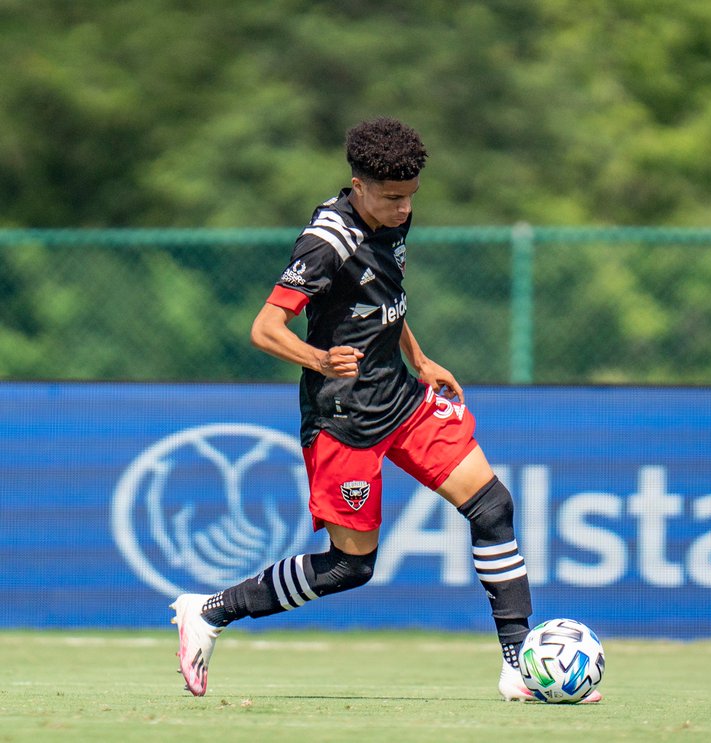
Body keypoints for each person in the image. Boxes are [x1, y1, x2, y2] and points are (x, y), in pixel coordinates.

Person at [170, 117, 597, 703]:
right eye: (392, 199)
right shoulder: (326, 243)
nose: (403, 209)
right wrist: (319, 360)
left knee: (493, 506)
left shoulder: (395, 214)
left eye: (411, 197)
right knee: (351, 569)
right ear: (358, 185)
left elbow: (384, 302)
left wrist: (420, 358)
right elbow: (265, 328)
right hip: (343, 419)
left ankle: (518, 665)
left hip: (401, 399)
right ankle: (212, 610)